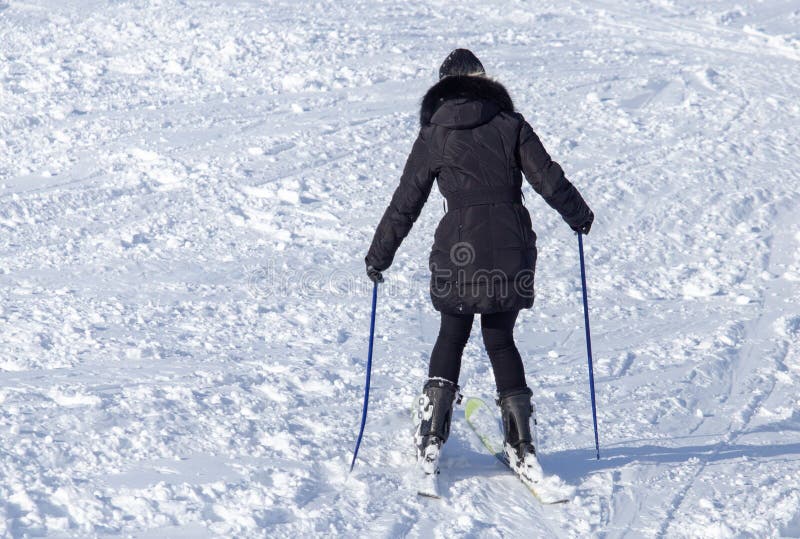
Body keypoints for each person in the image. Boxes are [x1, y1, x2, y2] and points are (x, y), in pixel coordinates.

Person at [364, 49, 594, 490]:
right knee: (500, 339)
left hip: (459, 249)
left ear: (444, 86)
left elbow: (405, 202)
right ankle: (521, 443)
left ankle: (432, 435)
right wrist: (577, 214)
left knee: (452, 334)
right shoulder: (511, 124)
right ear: (483, 80)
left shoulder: (434, 134)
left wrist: (379, 256)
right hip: (511, 247)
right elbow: (548, 178)